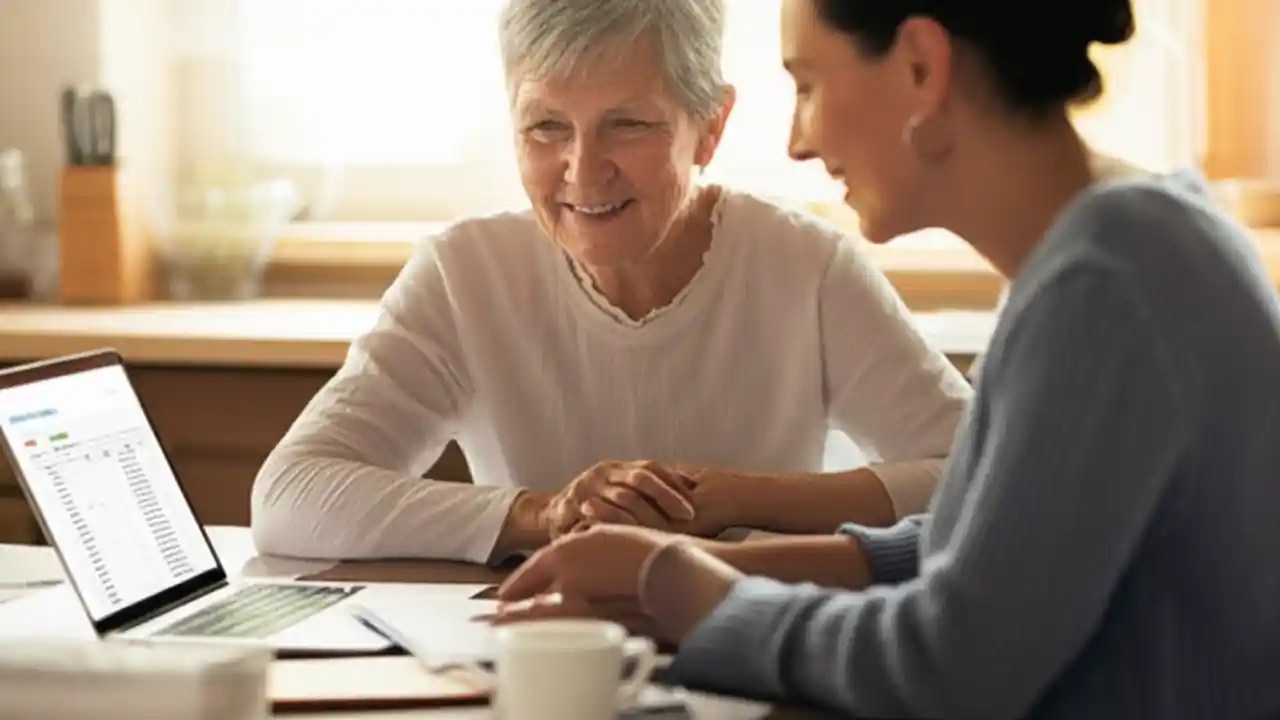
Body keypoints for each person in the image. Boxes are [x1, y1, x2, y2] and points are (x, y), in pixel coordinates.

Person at [493, 0, 1280, 717]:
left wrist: (694, 594)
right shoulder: (1122, 240)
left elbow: (947, 667)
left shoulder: (1107, 287)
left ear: (921, 69)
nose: (798, 141)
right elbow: (982, 538)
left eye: (806, 86)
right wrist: (679, 559)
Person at [250, 0, 971, 565]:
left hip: (743, 638)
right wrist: (544, 513)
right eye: (546, 128)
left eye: (627, 125)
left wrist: (735, 500)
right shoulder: (465, 273)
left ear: (711, 127)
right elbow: (290, 495)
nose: (584, 171)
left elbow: (979, 474)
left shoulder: (804, 266)